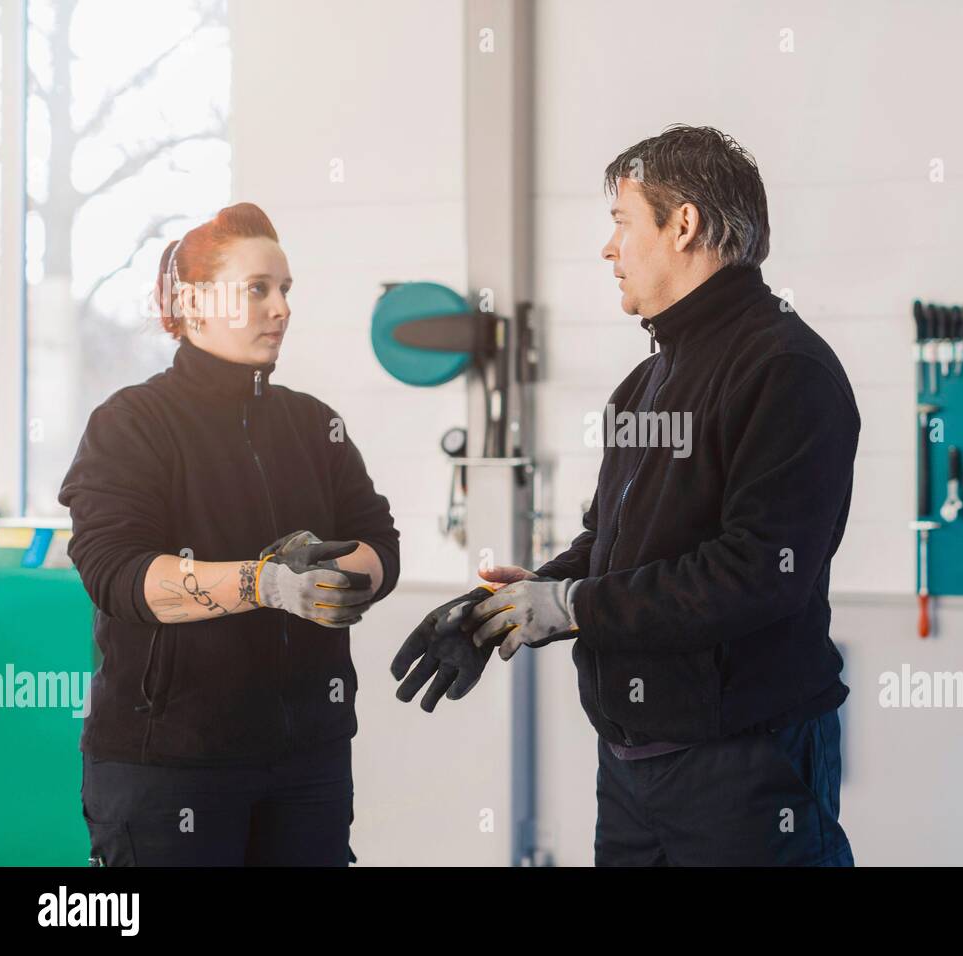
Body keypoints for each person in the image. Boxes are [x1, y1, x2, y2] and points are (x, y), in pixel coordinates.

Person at [391, 126, 859, 866]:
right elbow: (608, 548)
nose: (608, 250)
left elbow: (756, 573)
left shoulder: (785, 370)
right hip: (631, 768)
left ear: (684, 224)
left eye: (621, 223)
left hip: (744, 767)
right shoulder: (644, 384)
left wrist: (570, 608)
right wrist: (517, 603)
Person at [58, 202, 400, 866]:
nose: (281, 308)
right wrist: (265, 583)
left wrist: (341, 578)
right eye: (257, 290)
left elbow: (377, 539)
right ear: (192, 303)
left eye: (285, 290)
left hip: (308, 762)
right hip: (170, 768)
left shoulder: (313, 425)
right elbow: (117, 574)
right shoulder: (131, 424)